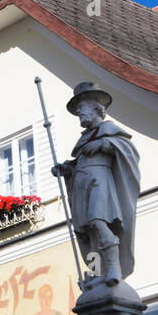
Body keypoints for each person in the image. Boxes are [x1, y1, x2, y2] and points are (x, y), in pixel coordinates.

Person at [51, 82, 140, 288]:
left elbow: (128, 150)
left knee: (99, 222)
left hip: (100, 181)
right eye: (79, 110)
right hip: (82, 184)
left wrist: (103, 143)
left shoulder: (108, 130)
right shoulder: (83, 139)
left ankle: (114, 268)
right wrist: (67, 169)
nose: (80, 113)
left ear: (96, 108)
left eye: (82, 108)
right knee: (87, 230)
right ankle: (98, 272)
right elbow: (80, 163)